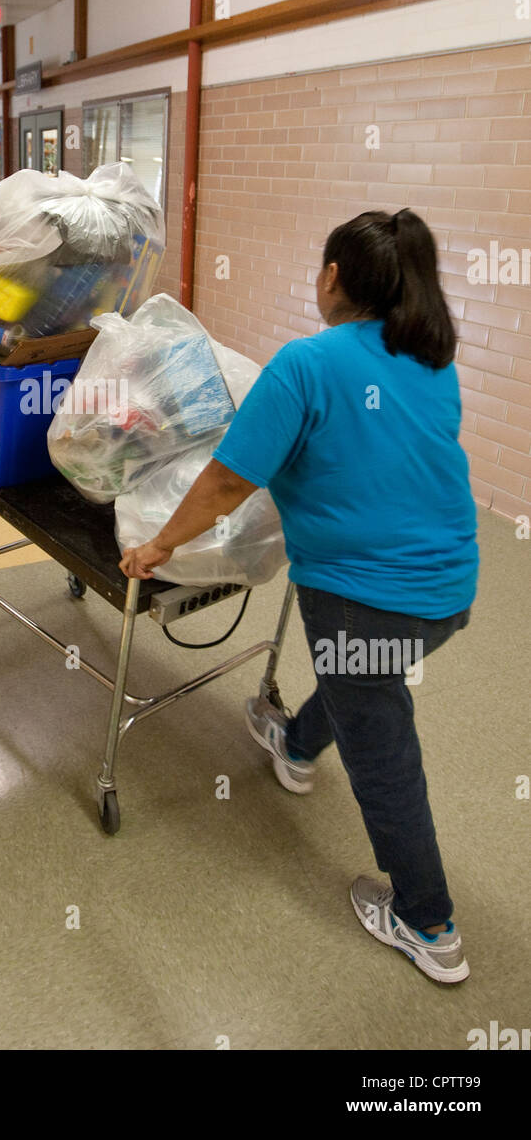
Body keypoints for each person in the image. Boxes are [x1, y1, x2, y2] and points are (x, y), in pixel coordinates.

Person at [120, 209, 478, 984]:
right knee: (366, 683)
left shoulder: (307, 362)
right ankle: (295, 742)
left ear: (333, 278)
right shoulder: (431, 360)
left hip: (363, 595)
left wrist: (156, 546)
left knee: (385, 751)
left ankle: (429, 924)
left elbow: (223, 480)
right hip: (450, 593)